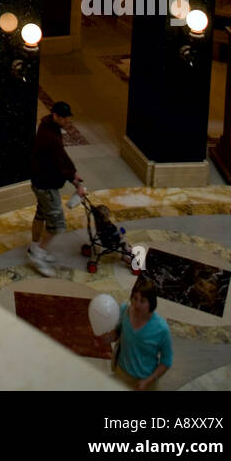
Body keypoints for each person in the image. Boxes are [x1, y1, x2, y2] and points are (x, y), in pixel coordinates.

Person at [27, 100, 86, 276]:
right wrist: (76, 181)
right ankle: (37, 254)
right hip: (46, 185)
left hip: (39, 180)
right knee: (56, 223)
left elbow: (61, 157)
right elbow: (61, 160)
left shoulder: (47, 125)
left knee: (41, 213)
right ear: (56, 116)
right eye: (66, 120)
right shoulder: (50, 137)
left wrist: (73, 173)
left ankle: (35, 246)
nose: (68, 123)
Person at [97, 277, 173, 391]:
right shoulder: (125, 311)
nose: (136, 304)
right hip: (121, 373)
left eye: (142, 301)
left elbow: (166, 361)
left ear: (151, 303)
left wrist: (148, 381)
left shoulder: (162, 329)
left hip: (145, 382)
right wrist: (107, 338)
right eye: (134, 298)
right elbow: (118, 332)